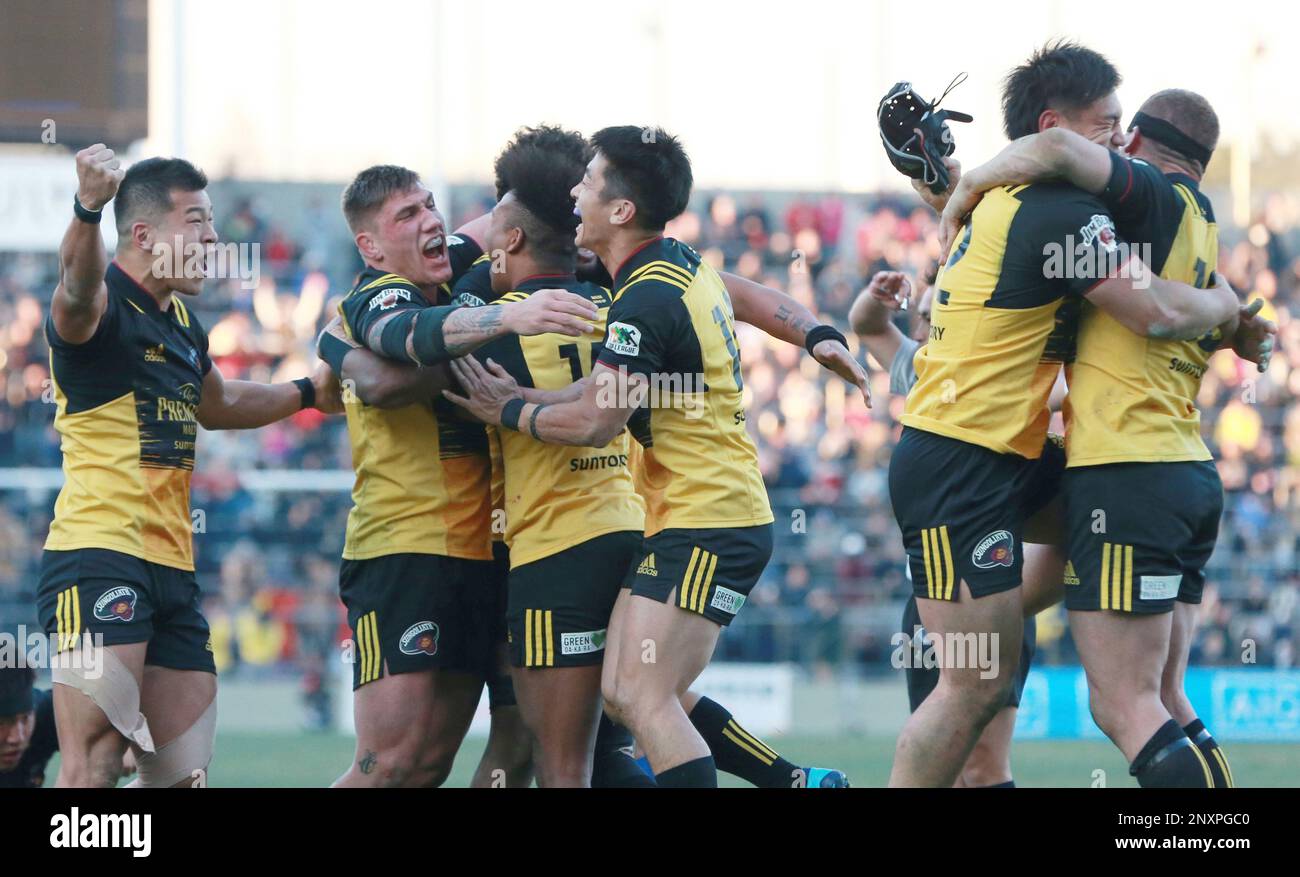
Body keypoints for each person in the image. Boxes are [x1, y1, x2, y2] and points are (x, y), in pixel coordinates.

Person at [444, 126, 859, 787]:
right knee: (626, 689)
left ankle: (787, 779)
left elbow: (596, 419)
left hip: (709, 521)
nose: (576, 192)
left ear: (620, 211)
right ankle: (790, 780)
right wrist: (816, 332)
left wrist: (511, 410)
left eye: (591, 182)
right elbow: (737, 303)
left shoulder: (647, 298)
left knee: (640, 695)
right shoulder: (671, 268)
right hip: (689, 518)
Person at [886, 42, 1241, 788]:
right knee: (976, 683)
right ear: (1056, 127)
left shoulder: (1021, 201)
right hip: (962, 458)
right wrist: (1228, 310)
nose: (1119, 142)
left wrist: (941, 179)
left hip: (1004, 452)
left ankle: (947, 630)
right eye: (1107, 125)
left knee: (1080, 547)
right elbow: (1147, 307)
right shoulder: (1056, 208)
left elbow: (995, 194)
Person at [37, 149, 336, 788]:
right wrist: (87, 209)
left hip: (173, 571)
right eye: (198, 222)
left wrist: (309, 393)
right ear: (144, 236)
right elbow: (76, 287)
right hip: (99, 556)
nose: (214, 239)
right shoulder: (101, 306)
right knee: (91, 769)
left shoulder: (181, 324)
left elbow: (221, 404)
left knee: (182, 777)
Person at [851, 267, 1065, 787]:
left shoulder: (989, 375)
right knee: (969, 766)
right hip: (941, 591)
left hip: (989, 582)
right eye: (922, 317)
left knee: (982, 765)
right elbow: (866, 324)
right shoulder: (925, 371)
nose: (925, 328)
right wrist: (877, 299)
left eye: (934, 316)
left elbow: (1060, 389)